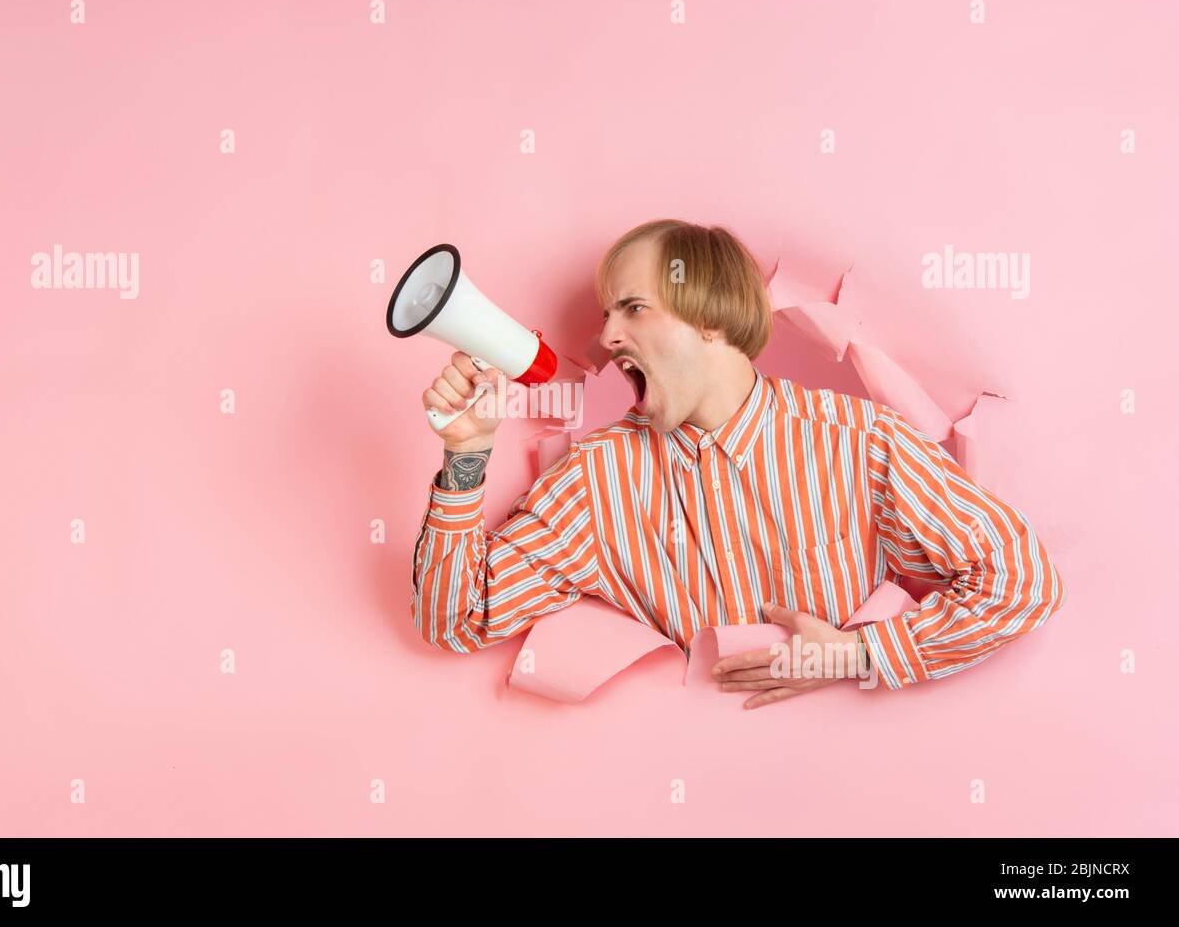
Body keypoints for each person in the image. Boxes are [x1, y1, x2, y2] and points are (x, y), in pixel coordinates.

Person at [411, 219, 1066, 707]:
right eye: (608, 312)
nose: (608, 335)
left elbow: (1022, 583)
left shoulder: (860, 442)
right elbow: (456, 621)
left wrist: (862, 654)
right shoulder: (595, 484)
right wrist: (465, 458)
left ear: (714, 318)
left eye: (633, 308)